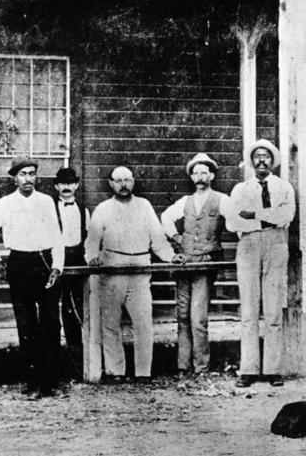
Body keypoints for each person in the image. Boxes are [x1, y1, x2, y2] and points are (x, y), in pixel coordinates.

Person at [87, 166, 182, 382]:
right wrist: (92, 257)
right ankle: (116, 372)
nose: (123, 185)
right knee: (110, 323)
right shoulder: (103, 208)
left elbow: (157, 239)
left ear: (133, 182)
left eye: (127, 180)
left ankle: (143, 373)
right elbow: (92, 241)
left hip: (140, 270)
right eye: (118, 180)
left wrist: (170, 256)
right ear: (111, 183)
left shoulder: (144, 206)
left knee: (143, 323)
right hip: (112, 269)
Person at [0, 158, 65, 397]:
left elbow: (57, 237)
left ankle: (49, 380)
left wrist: (57, 267)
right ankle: (33, 379)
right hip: (18, 264)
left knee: (50, 322)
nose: (28, 179)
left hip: (44, 262)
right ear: (14, 178)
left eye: (31, 174)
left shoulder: (47, 201)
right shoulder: (5, 204)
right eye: (23, 174)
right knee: (26, 323)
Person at [225, 139, 295, 387]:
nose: (262, 160)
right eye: (258, 156)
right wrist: (267, 219)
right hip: (249, 246)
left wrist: (254, 215)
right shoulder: (240, 189)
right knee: (249, 311)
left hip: (276, 245)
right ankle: (249, 369)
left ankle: (274, 369)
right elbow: (233, 223)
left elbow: (286, 217)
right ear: (252, 161)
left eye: (266, 156)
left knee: (274, 308)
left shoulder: (284, 188)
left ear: (273, 161)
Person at [159, 153, 229, 374]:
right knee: (182, 315)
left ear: (212, 175)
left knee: (198, 317)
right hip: (185, 261)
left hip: (206, 261)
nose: (200, 176)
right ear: (191, 176)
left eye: (204, 172)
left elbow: (237, 220)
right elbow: (166, 218)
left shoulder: (222, 200)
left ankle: (201, 367)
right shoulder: (185, 202)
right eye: (196, 172)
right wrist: (176, 237)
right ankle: (183, 365)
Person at [51, 167, 88, 349]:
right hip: (54, 261)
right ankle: (53, 348)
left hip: (77, 261)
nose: (67, 187)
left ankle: (75, 346)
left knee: (73, 303)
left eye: (71, 183)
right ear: (57, 186)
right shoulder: (50, 209)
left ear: (77, 185)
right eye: (63, 183)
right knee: (51, 303)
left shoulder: (83, 210)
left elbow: (89, 238)